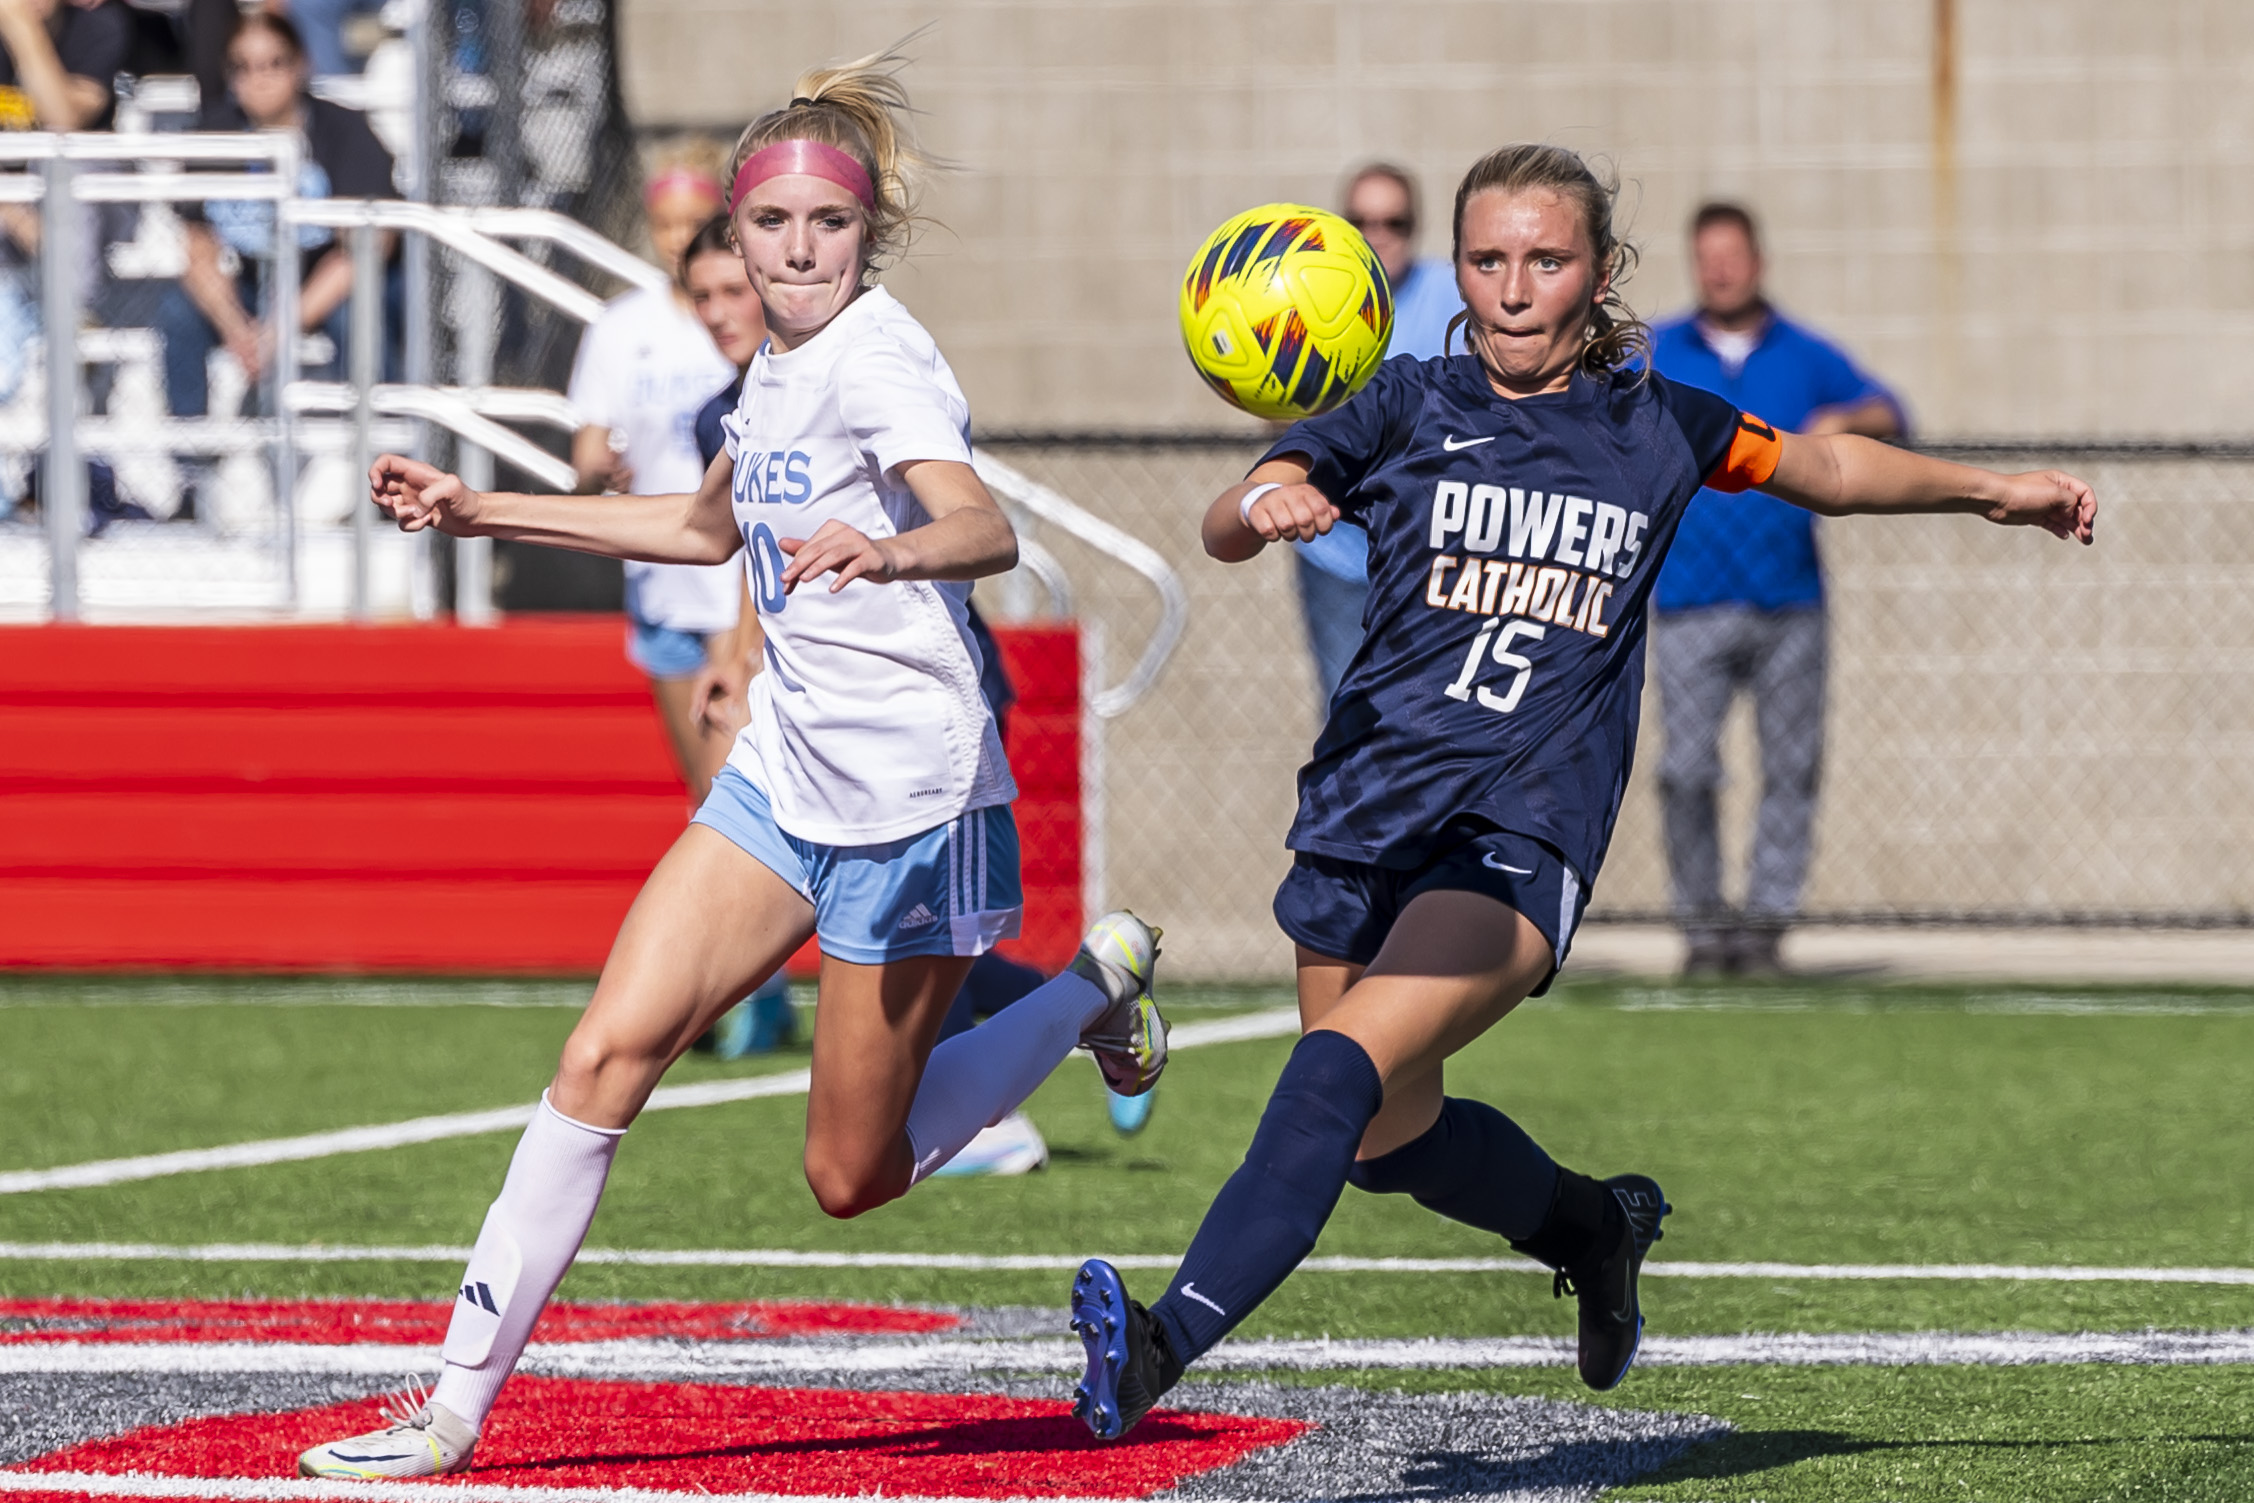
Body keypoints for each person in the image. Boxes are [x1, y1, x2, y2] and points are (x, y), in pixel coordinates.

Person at [1065, 142, 2095, 1442]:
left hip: (1515, 832)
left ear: (1598, 272)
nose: (1509, 288)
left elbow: (1826, 471)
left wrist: (1991, 489)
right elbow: (1240, 509)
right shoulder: (1398, 401)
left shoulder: (1657, 422)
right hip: (1360, 817)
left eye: (1543, 260)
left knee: (1332, 1069)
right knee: (1385, 1136)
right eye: (1486, 258)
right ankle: (1595, 1228)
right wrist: (1262, 498)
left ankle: (1161, 1341)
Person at [295, 49, 1170, 1481]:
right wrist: (481, 507)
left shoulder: (880, 352)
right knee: (602, 1052)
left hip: (913, 797)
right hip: (782, 775)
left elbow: (980, 526)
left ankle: (1085, 990)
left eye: (828, 222)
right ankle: (447, 1406)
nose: (801, 246)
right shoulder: (766, 366)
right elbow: (704, 532)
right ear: (738, 239)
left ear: (865, 231)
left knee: (848, 1174)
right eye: (774, 223)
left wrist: (892, 544)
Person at [1649, 202, 1906, 975]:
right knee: (1685, 769)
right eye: (1707, 256)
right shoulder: (1658, 350)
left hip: (1789, 600)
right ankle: (1700, 928)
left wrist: (1846, 416)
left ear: (1758, 261)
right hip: (1686, 600)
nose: (1721, 269)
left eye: (1733, 255)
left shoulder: (1806, 354)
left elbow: (1892, 410)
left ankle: (1764, 929)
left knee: (1790, 769)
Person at [567, 144, 741, 807]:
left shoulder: (739, 316)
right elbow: (587, 446)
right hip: (661, 579)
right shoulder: (621, 326)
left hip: (733, 582)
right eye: (665, 223)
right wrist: (597, 470)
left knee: (731, 791)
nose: (678, 238)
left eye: (693, 220)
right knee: (703, 794)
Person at [157, 10, 396, 437]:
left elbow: (368, 247)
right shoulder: (214, 133)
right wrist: (236, 327)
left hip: (324, 285)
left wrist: (278, 332)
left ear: (300, 63)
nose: (259, 78)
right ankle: (189, 468)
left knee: (359, 316)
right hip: (250, 287)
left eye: (274, 63)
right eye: (242, 66)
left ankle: (381, 452)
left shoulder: (342, 129)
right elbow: (196, 244)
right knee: (177, 313)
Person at [1293, 164, 1465, 705]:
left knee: (1440, 719)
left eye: (1395, 221)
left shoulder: (1455, 293)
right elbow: (1283, 420)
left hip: (1435, 555)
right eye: (1360, 221)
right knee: (1348, 715)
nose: (1378, 235)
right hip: (1339, 550)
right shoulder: (1309, 299)